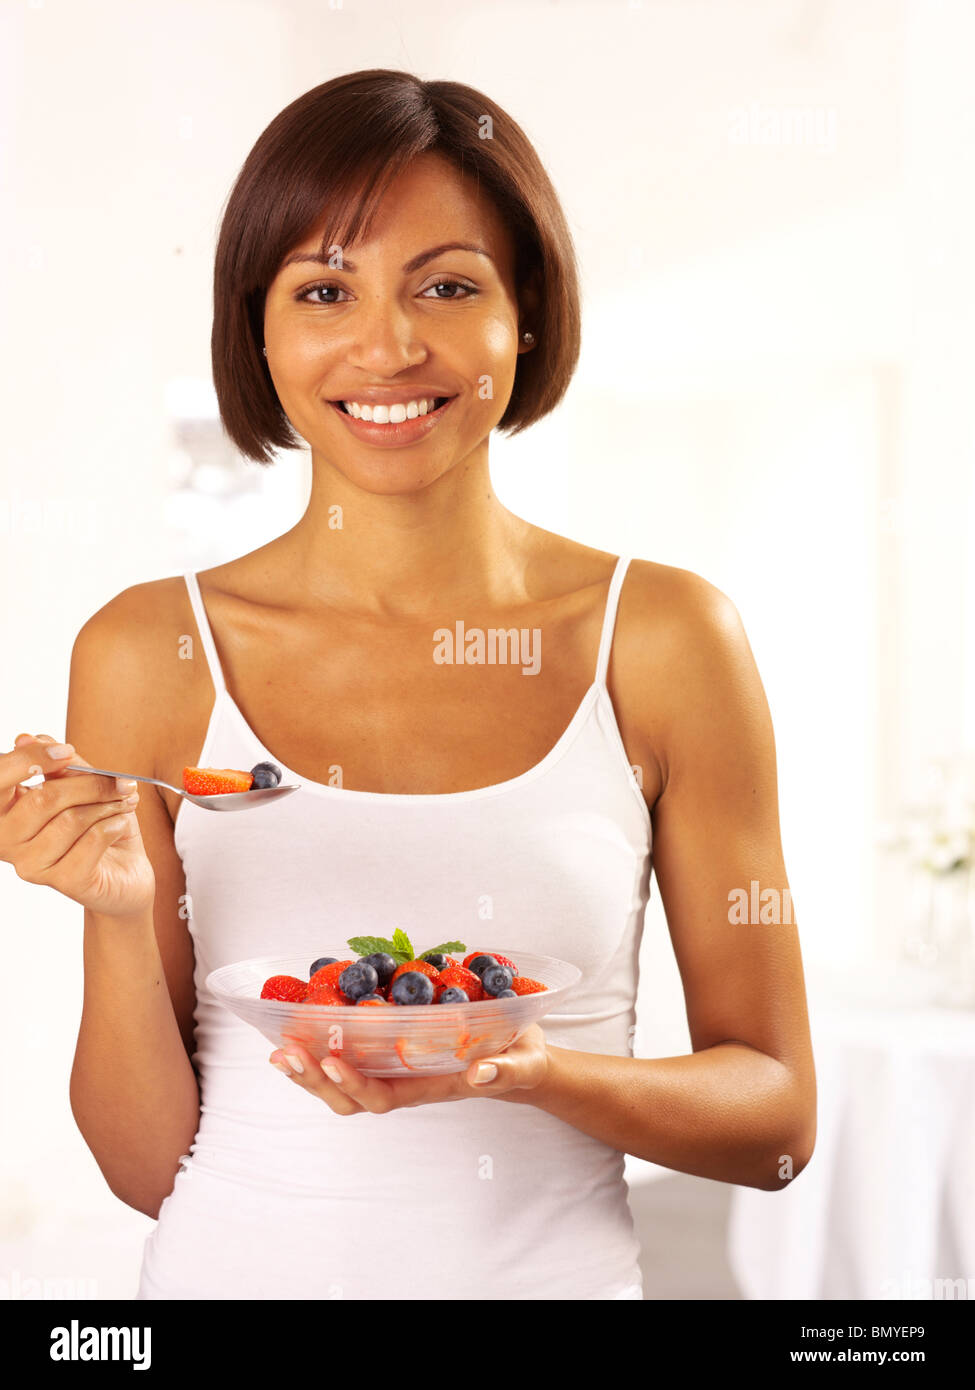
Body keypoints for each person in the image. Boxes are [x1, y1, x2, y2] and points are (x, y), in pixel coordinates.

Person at [0, 70, 816, 1300]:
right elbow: (144, 1166)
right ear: (258, 329)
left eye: (447, 285)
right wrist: (118, 916)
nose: (387, 346)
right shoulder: (146, 651)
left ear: (524, 314)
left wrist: (538, 1071)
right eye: (324, 291)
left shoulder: (664, 638)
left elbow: (777, 1119)